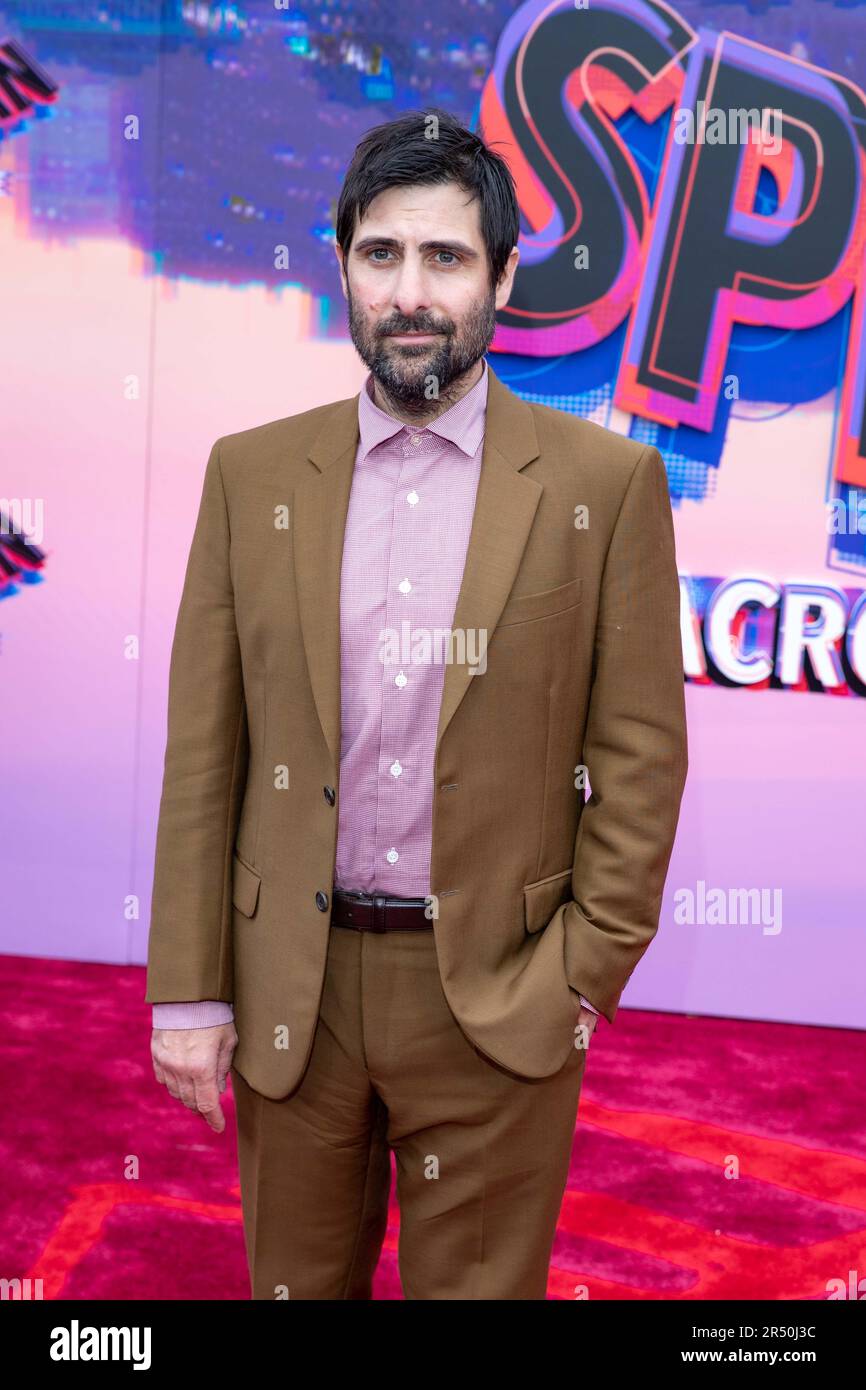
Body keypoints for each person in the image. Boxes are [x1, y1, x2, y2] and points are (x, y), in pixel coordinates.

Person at [146, 108, 688, 1300]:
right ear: (340, 263)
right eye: (380, 254)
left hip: (497, 997)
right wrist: (189, 989)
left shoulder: (604, 484)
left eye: (444, 259)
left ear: (501, 277)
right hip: (296, 992)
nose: (409, 292)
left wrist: (574, 980)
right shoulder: (249, 474)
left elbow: (640, 765)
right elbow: (205, 757)